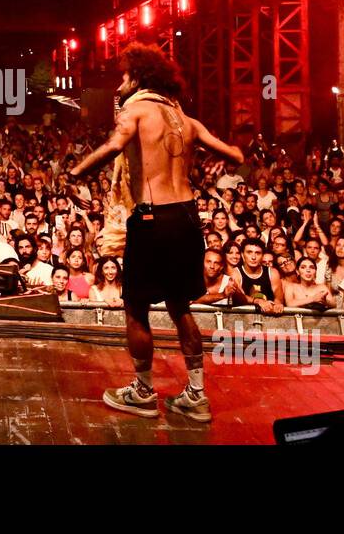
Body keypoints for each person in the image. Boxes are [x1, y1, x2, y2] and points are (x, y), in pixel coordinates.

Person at [65, 43, 242, 422]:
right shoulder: (186, 120)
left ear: (140, 78)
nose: (121, 82)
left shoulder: (136, 110)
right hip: (187, 216)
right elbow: (236, 157)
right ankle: (196, 394)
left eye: (126, 75)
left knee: (136, 308)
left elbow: (114, 146)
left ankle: (143, 392)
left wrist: (75, 174)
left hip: (151, 219)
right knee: (180, 307)